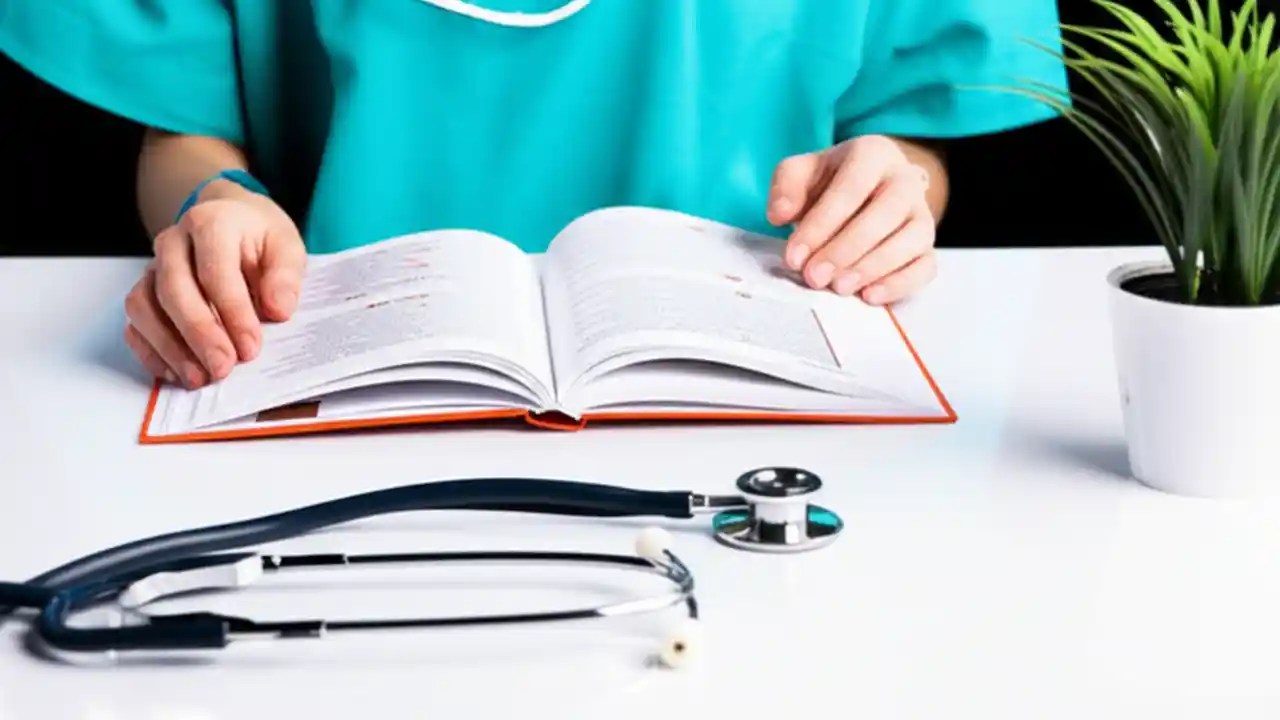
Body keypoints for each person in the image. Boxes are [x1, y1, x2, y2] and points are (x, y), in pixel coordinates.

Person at [0, 0, 1067, 390]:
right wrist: (215, 203)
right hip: (323, 374)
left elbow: (910, 130)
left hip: (748, 385)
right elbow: (185, 126)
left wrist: (895, 190)